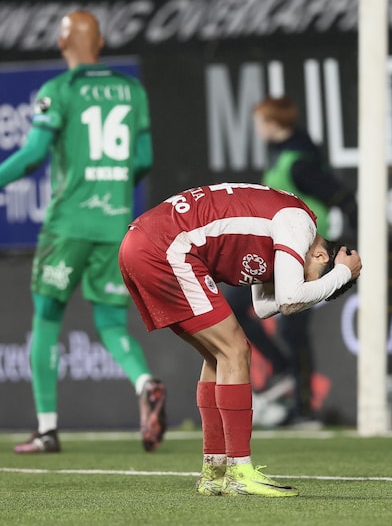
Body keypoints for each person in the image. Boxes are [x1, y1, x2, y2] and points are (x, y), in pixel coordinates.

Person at [0, 10, 166, 454]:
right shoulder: (132, 89)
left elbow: (31, 156)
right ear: (101, 43)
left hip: (68, 226)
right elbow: (143, 159)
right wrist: (113, 186)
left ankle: (47, 429)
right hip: (115, 224)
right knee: (111, 322)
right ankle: (144, 383)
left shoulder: (59, 91)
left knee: (46, 319)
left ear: (62, 44)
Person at [118, 183, 361, 497]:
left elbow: (263, 306)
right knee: (236, 350)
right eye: (308, 277)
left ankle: (214, 472)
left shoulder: (288, 225)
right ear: (319, 254)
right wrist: (342, 274)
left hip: (144, 243)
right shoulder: (299, 224)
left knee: (218, 354)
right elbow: (290, 300)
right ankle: (240, 471)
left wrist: (326, 280)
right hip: (166, 247)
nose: (301, 282)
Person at [228, 96, 359, 428]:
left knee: (293, 326)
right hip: (278, 248)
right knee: (236, 306)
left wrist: (350, 245)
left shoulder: (299, 164)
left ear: (273, 124)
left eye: (260, 122)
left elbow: (342, 197)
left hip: (306, 251)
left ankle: (304, 408)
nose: (257, 129)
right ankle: (282, 369)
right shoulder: (281, 156)